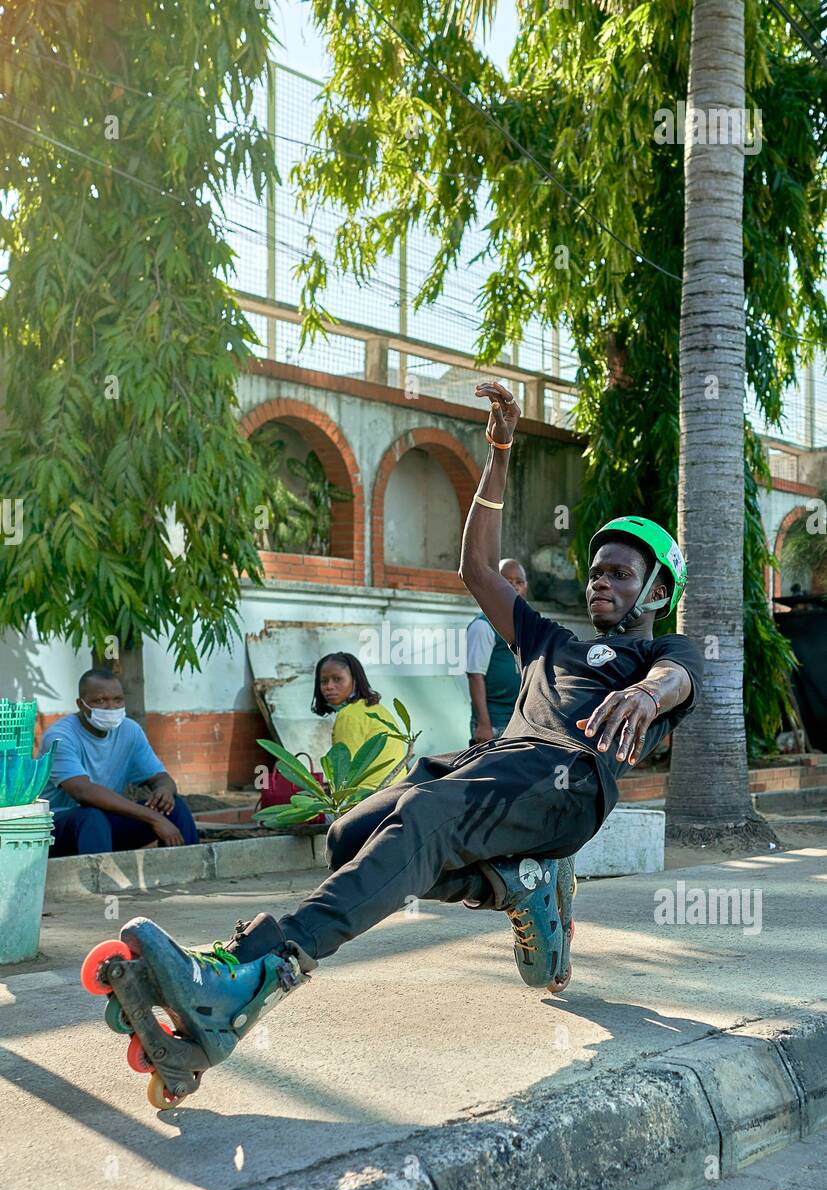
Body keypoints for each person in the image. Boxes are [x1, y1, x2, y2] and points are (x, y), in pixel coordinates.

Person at [90, 382, 704, 1106]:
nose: (601, 581)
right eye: (597, 570)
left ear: (657, 591)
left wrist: (642, 694)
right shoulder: (549, 643)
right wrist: (499, 454)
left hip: (564, 783)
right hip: (493, 768)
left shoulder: (661, 651)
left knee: (422, 825)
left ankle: (252, 969)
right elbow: (475, 569)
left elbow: (677, 680)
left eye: (620, 574)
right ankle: (519, 885)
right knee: (352, 837)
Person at [42, 668, 199, 856]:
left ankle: (190, 868)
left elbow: (161, 778)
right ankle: (101, 882)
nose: (111, 707)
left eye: (117, 700)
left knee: (174, 807)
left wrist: (164, 790)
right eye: (100, 701)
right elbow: (83, 792)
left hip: (103, 827)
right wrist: (153, 818)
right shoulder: (60, 737)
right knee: (90, 816)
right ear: (81, 704)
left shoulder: (130, 731)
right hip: (54, 830)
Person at [313, 652, 408, 791]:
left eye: (337, 679)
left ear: (354, 680)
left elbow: (342, 770)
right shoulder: (376, 708)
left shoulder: (349, 715)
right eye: (324, 681)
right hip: (396, 790)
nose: (329, 686)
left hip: (367, 798)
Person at [466, 558, 526, 743]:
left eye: (519, 582)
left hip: (520, 719)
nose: (514, 587)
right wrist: (484, 724)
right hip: (495, 722)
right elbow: (475, 676)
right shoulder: (483, 626)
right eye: (508, 582)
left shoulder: (526, 624)